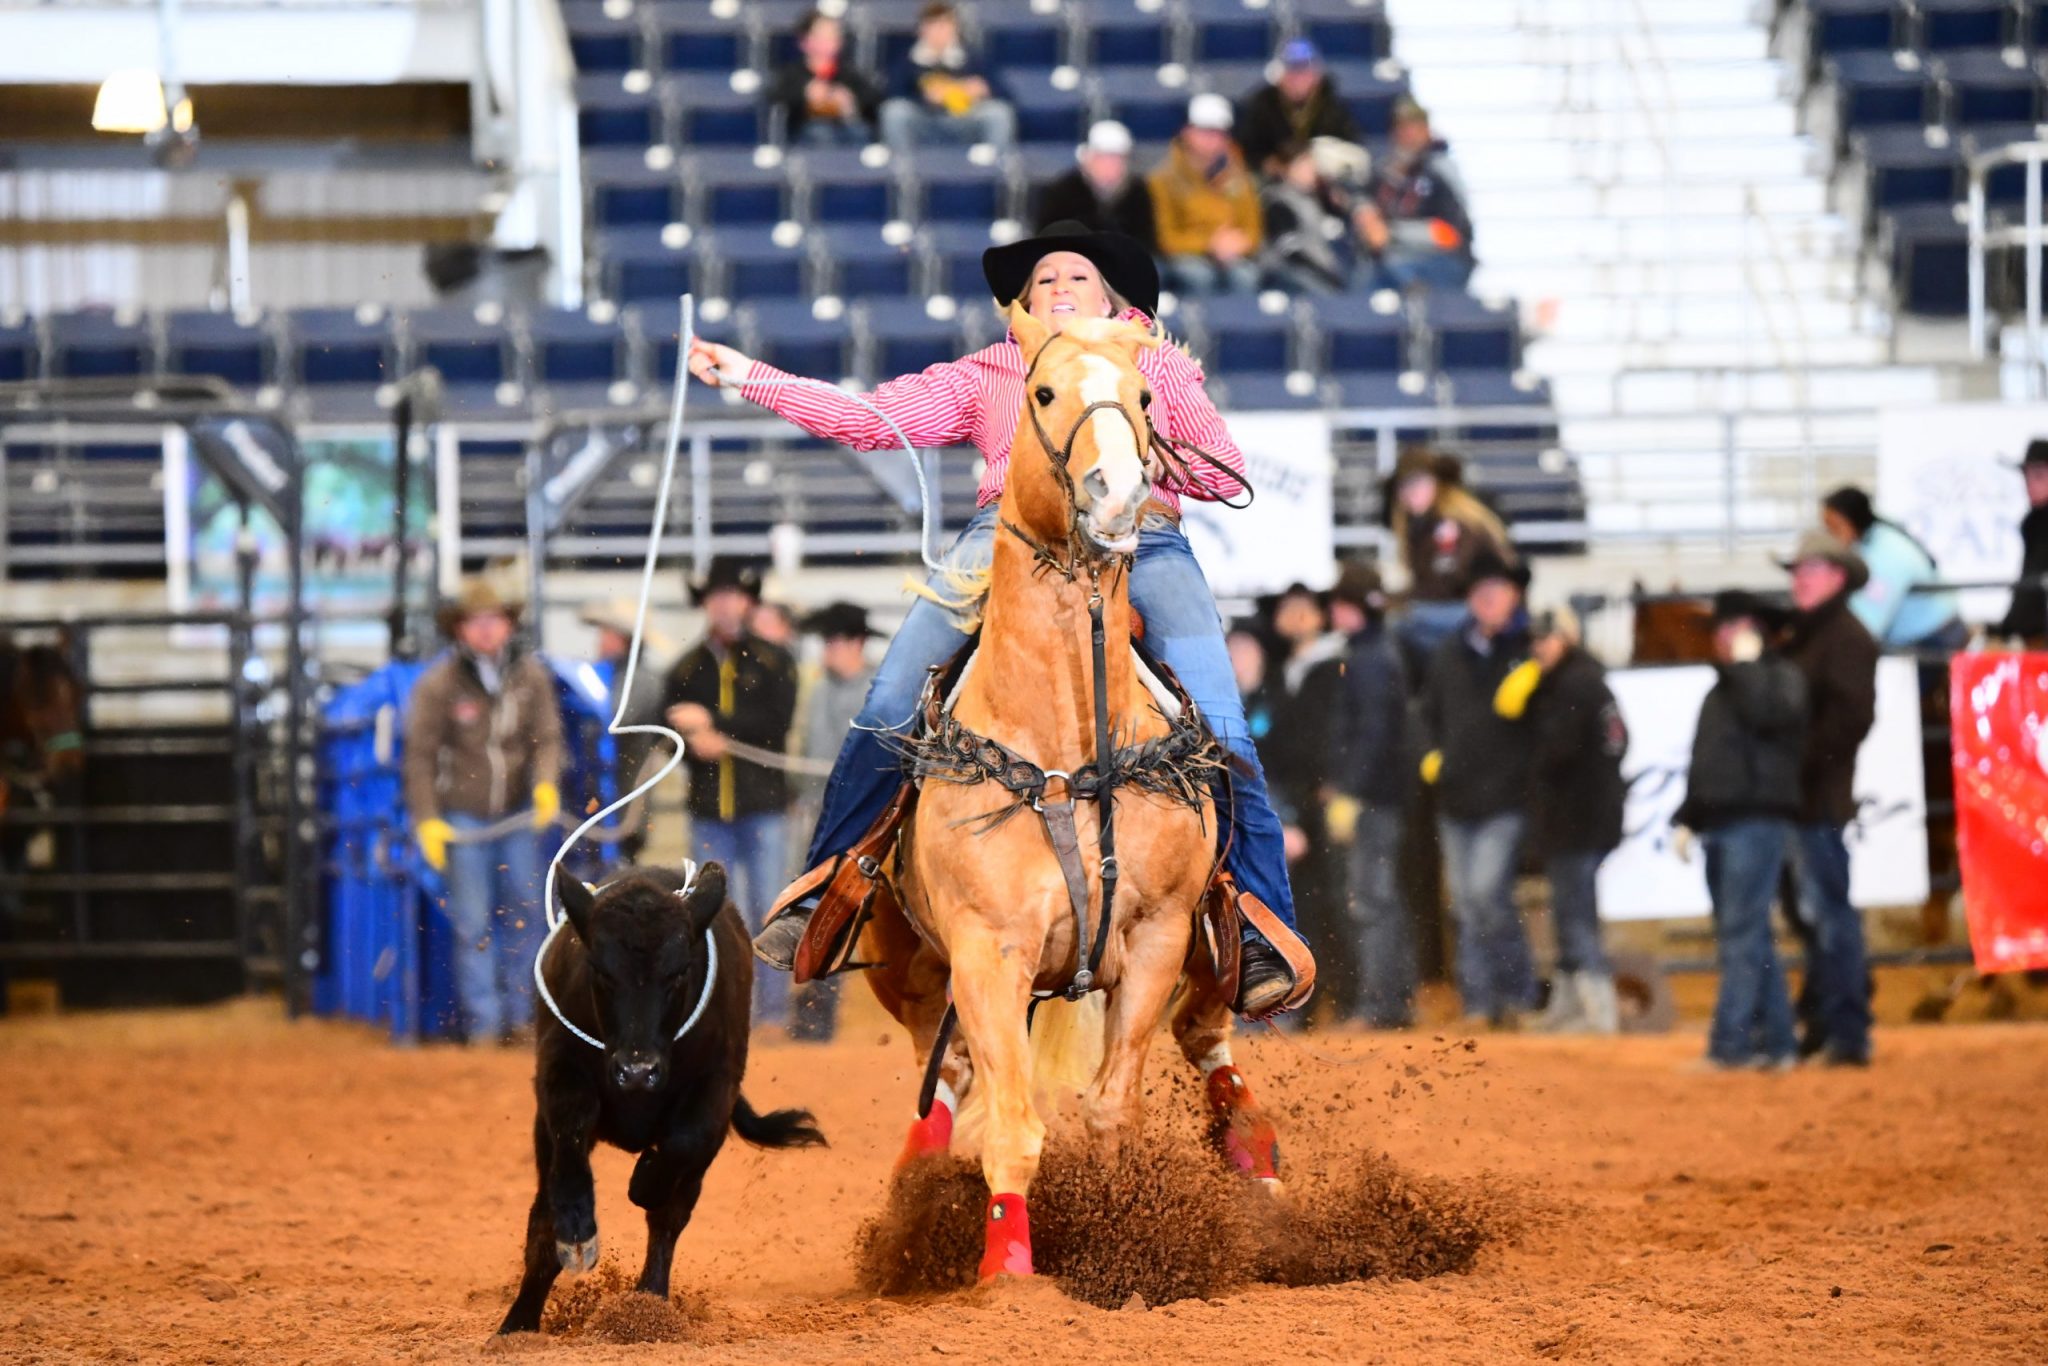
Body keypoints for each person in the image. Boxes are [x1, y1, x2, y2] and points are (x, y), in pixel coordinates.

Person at [684, 220, 1313, 1017]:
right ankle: (831, 889)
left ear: (1111, 297)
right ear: (1021, 301)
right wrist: (750, 378)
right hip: (1007, 539)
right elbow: (871, 419)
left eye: (1076, 276)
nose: (1057, 286)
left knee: (1224, 728)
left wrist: (1142, 452)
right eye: (1043, 278)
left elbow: (1224, 471)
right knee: (887, 705)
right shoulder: (991, 371)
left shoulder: (1149, 362)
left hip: (1142, 539)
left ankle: (1258, 925)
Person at [404, 577, 564, 1045]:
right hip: (464, 818)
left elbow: (547, 738)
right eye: (477, 622)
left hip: (516, 813)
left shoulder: (530, 675)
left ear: (508, 625)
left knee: (527, 914)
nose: (487, 631)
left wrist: (545, 786)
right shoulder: (439, 684)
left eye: (494, 620)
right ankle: (485, 1025)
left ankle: (524, 1019)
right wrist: (427, 819)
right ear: (460, 630)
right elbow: (419, 756)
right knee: (474, 922)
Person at [662, 558, 800, 1032]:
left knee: (768, 909)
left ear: (745, 603)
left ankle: (773, 1014)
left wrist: (713, 728)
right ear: (707, 604)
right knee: (713, 913)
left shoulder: (774, 660)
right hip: (709, 810)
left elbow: (776, 724)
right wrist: (692, 744)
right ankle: (723, 1009)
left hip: (763, 807)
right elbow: (668, 731)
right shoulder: (685, 667)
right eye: (716, 596)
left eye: (732, 596)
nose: (725, 605)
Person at [1674, 591, 1808, 1071]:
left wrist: (1749, 669)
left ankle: (1730, 1046)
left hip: (1757, 821)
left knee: (1741, 934)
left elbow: (1772, 716)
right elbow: (1707, 762)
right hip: (1728, 823)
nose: (1721, 637)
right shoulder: (1727, 688)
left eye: (1731, 627)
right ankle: (1778, 1042)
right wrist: (1689, 816)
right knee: (1750, 937)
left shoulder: (1778, 680)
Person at [1417, 550, 1539, 1027]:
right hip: (1457, 800)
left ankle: (1518, 994)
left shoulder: (1528, 651)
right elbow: (1426, 713)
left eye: (1498, 590)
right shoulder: (1450, 652)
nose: (1488, 598)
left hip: (1505, 801)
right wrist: (1429, 754)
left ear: (1516, 597)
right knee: (1468, 903)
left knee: (1486, 895)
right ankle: (1482, 1002)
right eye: (1480, 591)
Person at [1776, 529, 1879, 1067]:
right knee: (1816, 914)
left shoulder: (1843, 638)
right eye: (1796, 572)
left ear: (1837, 577)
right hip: (1805, 800)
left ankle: (1847, 1030)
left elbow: (1850, 720)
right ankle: (1828, 1023)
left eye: (1808, 571)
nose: (1799, 580)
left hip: (1816, 801)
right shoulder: (1815, 635)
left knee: (1827, 915)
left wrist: (1796, 766)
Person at [1516, 606, 1627, 1035]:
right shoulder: (1586, 680)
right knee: (1570, 912)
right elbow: (1617, 740)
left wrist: (1531, 710)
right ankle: (1569, 1008)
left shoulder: (1573, 684)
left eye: (1547, 638)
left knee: (1576, 914)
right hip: (1581, 818)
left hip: (1578, 819)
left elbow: (1556, 751)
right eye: (1536, 640)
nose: (1538, 647)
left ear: (1566, 638)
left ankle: (1599, 1013)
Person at [1321, 563, 1415, 1028]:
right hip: (1379, 796)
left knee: (1372, 899)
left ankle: (1384, 1005)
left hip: (1374, 800)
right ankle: (1392, 999)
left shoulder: (1372, 658)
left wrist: (1351, 791)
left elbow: (1372, 733)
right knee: (1379, 897)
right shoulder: (1373, 652)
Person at [785, 601, 879, 1042]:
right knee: (822, 911)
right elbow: (804, 744)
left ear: (856, 644)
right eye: (826, 643)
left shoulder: (877, 691)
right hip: (821, 818)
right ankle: (813, 1012)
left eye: (835, 642)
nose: (827, 651)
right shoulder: (820, 691)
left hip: (868, 821)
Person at [1387, 447, 1516, 670]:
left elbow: (1448, 581)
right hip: (1464, 607)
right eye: (1405, 485)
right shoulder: (1428, 525)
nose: (1410, 492)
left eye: (1418, 483)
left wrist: (1397, 601)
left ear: (1437, 484)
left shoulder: (1450, 524)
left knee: (1395, 626)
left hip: (1473, 609)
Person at [578, 597, 673, 864]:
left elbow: (612, 720)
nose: (600, 641)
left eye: (607, 634)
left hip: (622, 802)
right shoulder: (607, 678)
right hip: (606, 802)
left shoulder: (641, 681)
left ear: (625, 639)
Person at [1819, 486, 1964, 652]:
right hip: (1930, 633)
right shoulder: (1873, 539)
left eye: (1835, 528)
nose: (1830, 536)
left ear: (1852, 521)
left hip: (1935, 636)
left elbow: (1867, 619)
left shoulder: (1886, 553)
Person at [1355, 96, 1475, 294]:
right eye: (1402, 129)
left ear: (1426, 131)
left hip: (1443, 259)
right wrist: (1364, 212)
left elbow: (1451, 234)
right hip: (1392, 255)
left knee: (1394, 265)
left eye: (1414, 128)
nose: (1407, 135)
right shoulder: (1385, 170)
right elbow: (1361, 197)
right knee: (1363, 276)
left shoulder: (1440, 170)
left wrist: (1391, 233)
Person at [1148, 93, 1263, 296]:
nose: (1212, 140)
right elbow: (1165, 238)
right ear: (1187, 132)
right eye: (1205, 132)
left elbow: (1253, 230)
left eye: (1219, 133)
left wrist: (1239, 243)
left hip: (1230, 255)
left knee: (1245, 276)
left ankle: (1238, 327)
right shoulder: (1163, 179)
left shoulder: (1239, 176)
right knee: (1199, 277)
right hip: (1186, 255)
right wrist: (1209, 244)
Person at [878, 2, 1014, 150]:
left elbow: (1006, 95)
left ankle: (993, 168)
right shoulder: (908, 60)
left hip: (964, 121)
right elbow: (890, 94)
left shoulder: (972, 58)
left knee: (998, 113)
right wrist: (923, 97)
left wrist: (983, 90)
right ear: (921, 30)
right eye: (933, 26)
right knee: (894, 112)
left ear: (955, 28)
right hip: (925, 122)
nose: (939, 32)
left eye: (945, 25)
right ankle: (901, 167)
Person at [1236, 38, 1366, 176]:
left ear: (1316, 75)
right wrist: (1281, 168)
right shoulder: (1263, 103)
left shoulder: (1332, 105)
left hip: (1323, 182)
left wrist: (1317, 163)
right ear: (1280, 76)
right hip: (1274, 183)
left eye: (1304, 72)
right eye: (1292, 72)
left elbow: (1354, 149)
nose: (1298, 79)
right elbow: (1248, 151)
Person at [1033, 119, 1158, 252]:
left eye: (1116, 160)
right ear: (1087, 159)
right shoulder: (1063, 191)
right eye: (1102, 159)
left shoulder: (1138, 192)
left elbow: (1146, 240)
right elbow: (1047, 238)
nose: (1110, 166)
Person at [768, 9, 884, 147]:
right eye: (823, 35)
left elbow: (873, 100)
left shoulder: (849, 73)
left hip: (847, 128)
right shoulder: (792, 74)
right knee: (820, 132)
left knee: (859, 132)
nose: (831, 39)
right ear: (805, 41)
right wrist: (805, 94)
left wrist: (849, 102)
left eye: (834, 34)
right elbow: (775, 99)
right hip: (806, 132)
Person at [1260, 142, 1352, 294]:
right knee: (1328, 294)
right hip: (1285, 272)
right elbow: (1290, 251)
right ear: (1287, 169)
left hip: (1319, 269)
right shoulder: (1278, 201)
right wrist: (1325, 274)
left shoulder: (1315, 199)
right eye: (1304, 166)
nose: (1311, 172)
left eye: (1312, 166)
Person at [1993, 438, 2048, 644]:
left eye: (2039, 476)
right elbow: (2030, 580)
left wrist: (2010, 627)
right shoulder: (2033, 522)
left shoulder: (2037, 523)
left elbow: (2034, 583)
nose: (2030, 485)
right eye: (2026, 477)